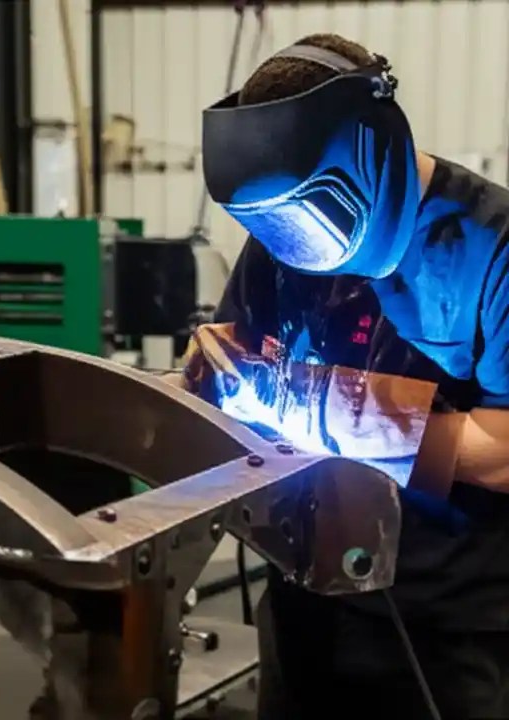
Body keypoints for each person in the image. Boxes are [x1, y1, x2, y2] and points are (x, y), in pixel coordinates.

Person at [191, 33, 509, 719]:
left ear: (373, 148)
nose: (300, 251)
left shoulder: (492, 247)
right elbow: (237, 354)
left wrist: (340, 415)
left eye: (307, 220)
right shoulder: (282, 232)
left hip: (443, 628)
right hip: (303, 597)